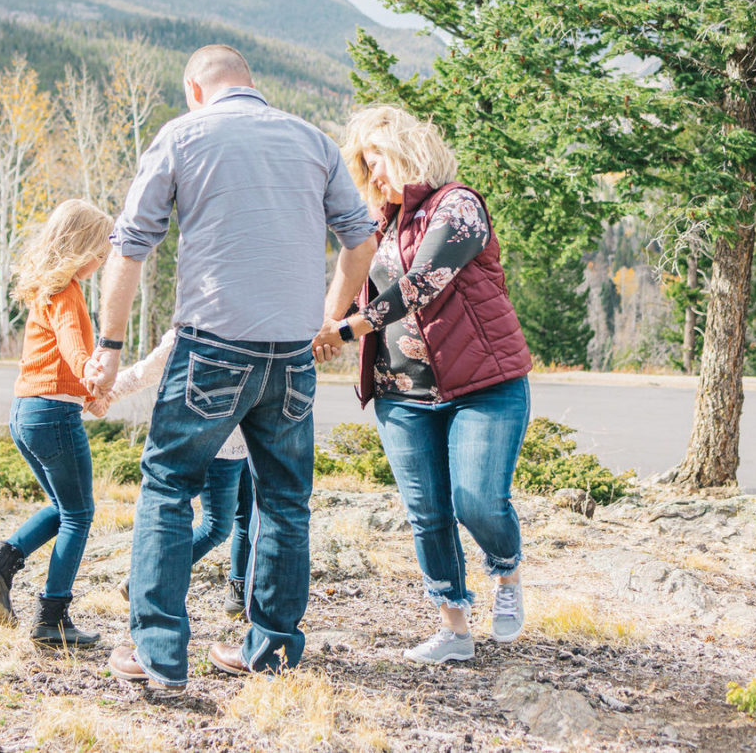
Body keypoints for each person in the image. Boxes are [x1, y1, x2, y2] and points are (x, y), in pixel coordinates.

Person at [84, 44, 377, 691]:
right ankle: (270, 649)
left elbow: (129, 248)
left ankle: (158, 650)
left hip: (212, 346)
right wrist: (329, 318)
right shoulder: (312, 141)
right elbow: (362, 240)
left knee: (168, 485)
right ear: (252, 84)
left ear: (196, 88)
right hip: (292, 355)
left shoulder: (184, 135)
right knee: (284, 501)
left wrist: (109, 344)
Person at [316, 105, 534, 665]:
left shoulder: (458, 205)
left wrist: (349, 329)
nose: (375, 177)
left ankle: (506, 574)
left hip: (482, 386)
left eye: (378, 162)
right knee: (428, 513)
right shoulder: (377, 221)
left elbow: (424, 282)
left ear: (407, 150)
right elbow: (350, 267)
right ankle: (454, 628)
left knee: (477, 501)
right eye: (364, 168)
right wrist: (323, 321)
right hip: (402, 395)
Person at [0, 199, 113, 647]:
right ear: (80, 247)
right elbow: (70, 345)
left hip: (27, 412)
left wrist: (90, 392)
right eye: (100, 251)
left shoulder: (46, 290)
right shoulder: (67, 293)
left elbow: (52, 359)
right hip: (51, 415)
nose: (104, 259)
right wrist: (90, 369)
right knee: (80, 514)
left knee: (61, 506)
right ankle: (52, 618)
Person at [109, 327, 254, 619]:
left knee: (248, 519)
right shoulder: (188, 331)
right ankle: (145, 579)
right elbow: (144, 373)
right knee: (216, 526)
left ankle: (238, 591)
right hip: (217, 444)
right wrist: (105, 392)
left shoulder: (254, 322)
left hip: (252, 441)